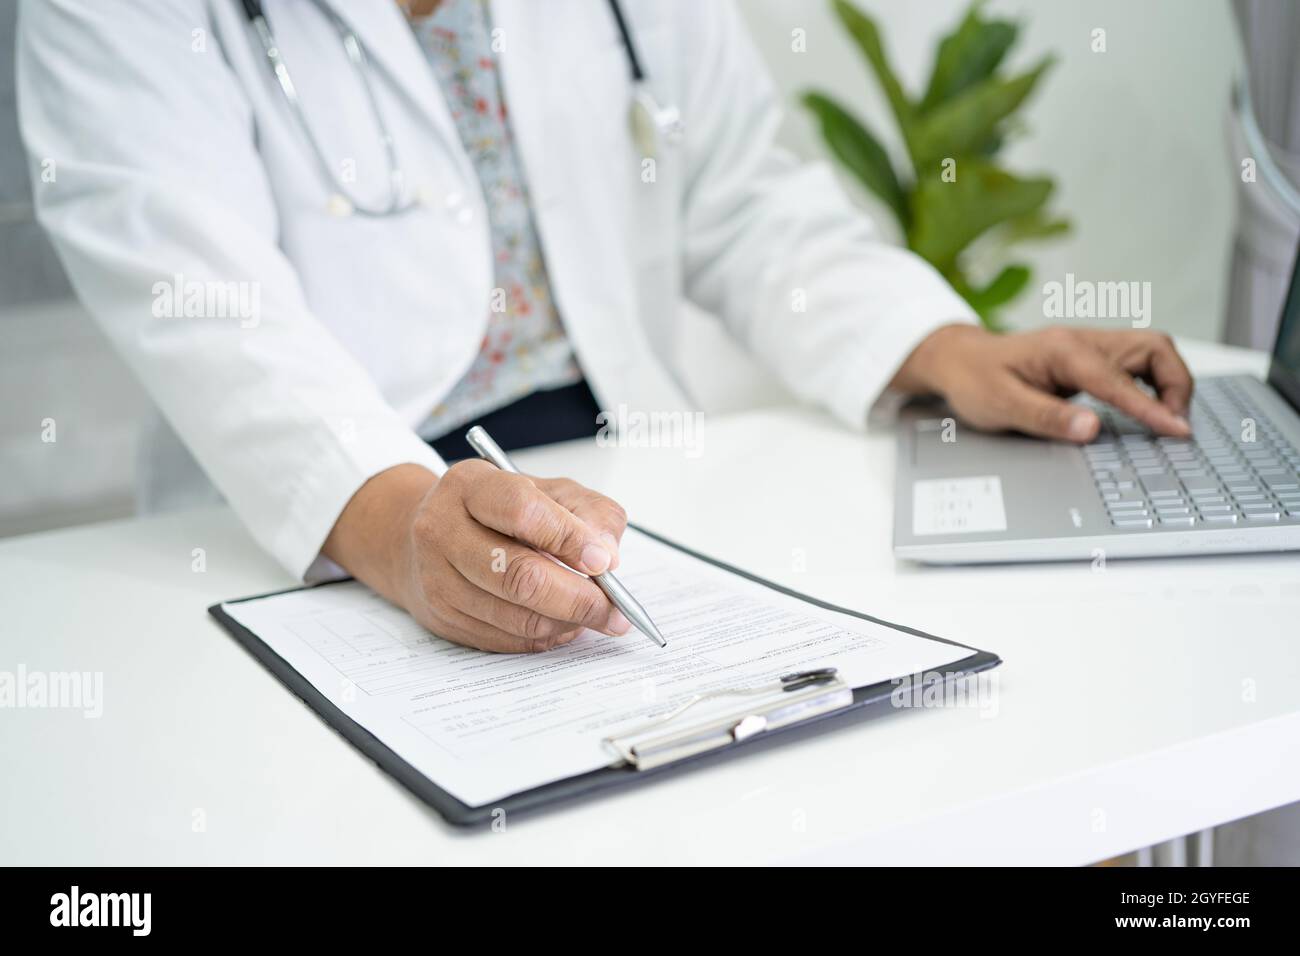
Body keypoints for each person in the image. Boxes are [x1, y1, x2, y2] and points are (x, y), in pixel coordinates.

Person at [18, 0, 1192, 653]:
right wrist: (391, 515)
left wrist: (946, 348)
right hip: (317, 505)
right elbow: (206, 305)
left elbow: (742, 196)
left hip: (616, 473)